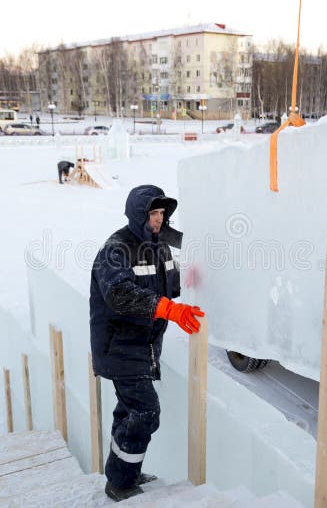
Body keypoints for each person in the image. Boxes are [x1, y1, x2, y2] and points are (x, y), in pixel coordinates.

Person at [90, 185, 204, 502]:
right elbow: (119, 294)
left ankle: (124, 471)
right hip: (119, 347)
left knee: (129, 411)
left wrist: (192, 277)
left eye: (162, 213)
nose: (159, 218)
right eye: (153, 213)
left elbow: (169, 285)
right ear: (139, 214)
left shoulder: (160, 249)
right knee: (145, 410)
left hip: (144, 347)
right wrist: (168, 309)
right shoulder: (117, 249)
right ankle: (121, 483)